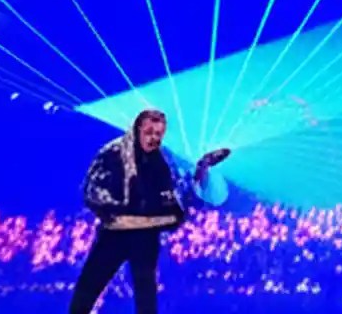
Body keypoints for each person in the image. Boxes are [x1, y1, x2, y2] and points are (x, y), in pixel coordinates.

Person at [69, 109, 225, 314]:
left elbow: (178, 197)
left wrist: (202, 169)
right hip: (114, 234)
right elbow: (92, 192)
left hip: (145, 236)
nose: (154, 138)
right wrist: (121, 213)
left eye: (159, 134)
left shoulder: (161, 161)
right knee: (87, 292)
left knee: (146, 298)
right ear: (138, 129)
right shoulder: (113, 153)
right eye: (149, 132)